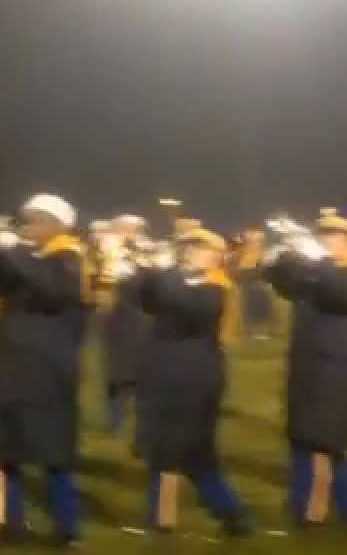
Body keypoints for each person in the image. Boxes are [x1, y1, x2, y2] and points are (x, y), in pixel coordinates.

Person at [0, 193, 86, 548]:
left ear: (58, 226)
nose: (28, 226)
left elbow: (50, 288)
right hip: (10, 365)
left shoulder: (69, 258)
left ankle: (66, 529)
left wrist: (11, 250)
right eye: (27, 220)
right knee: (3, 450)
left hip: (48, 372)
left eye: (36, 220)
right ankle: (7, 524)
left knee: (54, 454)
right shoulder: (29, 258)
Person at [133, 228, 250, 537]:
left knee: (188, 451)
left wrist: (164, 273)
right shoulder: (174, 280)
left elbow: (189, 309)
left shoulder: (217, 288)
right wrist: (146, 269)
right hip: (163, 373)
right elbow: (147, 301)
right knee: (168, 449)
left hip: (196, 378)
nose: (201, 254)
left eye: (207, 250)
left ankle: (219, 513)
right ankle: (175, 517)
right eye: (194, 248)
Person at [266, 209, 347, 529]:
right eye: (322, 235)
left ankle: (340, 510)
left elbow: (345, 294)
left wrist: (319, 261)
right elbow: (285, 286)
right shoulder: (317, 268)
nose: (326, 241)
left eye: (333, 235)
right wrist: (278, 259)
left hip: (334, 366)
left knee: (324, 441)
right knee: (301, 437)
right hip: (306, 362)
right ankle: (308, 504)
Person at [103, 214, 147, 433]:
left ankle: (139, 419)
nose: (132, 233)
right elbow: (107, 281)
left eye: (135, 229)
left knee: (142, 370)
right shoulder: (110, 251)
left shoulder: (144, 250)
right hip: (119, 318)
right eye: (128, 229)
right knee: (117, 371)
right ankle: (115, 419)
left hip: (143, 318)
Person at [231, 228, 273, 340]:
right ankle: (250, 329)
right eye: (252, 241)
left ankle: (260, 329)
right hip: (243, 285)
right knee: (249, 298)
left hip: (260, 285)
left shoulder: (266, 254)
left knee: (260, 296)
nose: (255, 244)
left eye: (258, 241)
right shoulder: (238, 255)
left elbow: (270, 272)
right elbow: (233, 272)